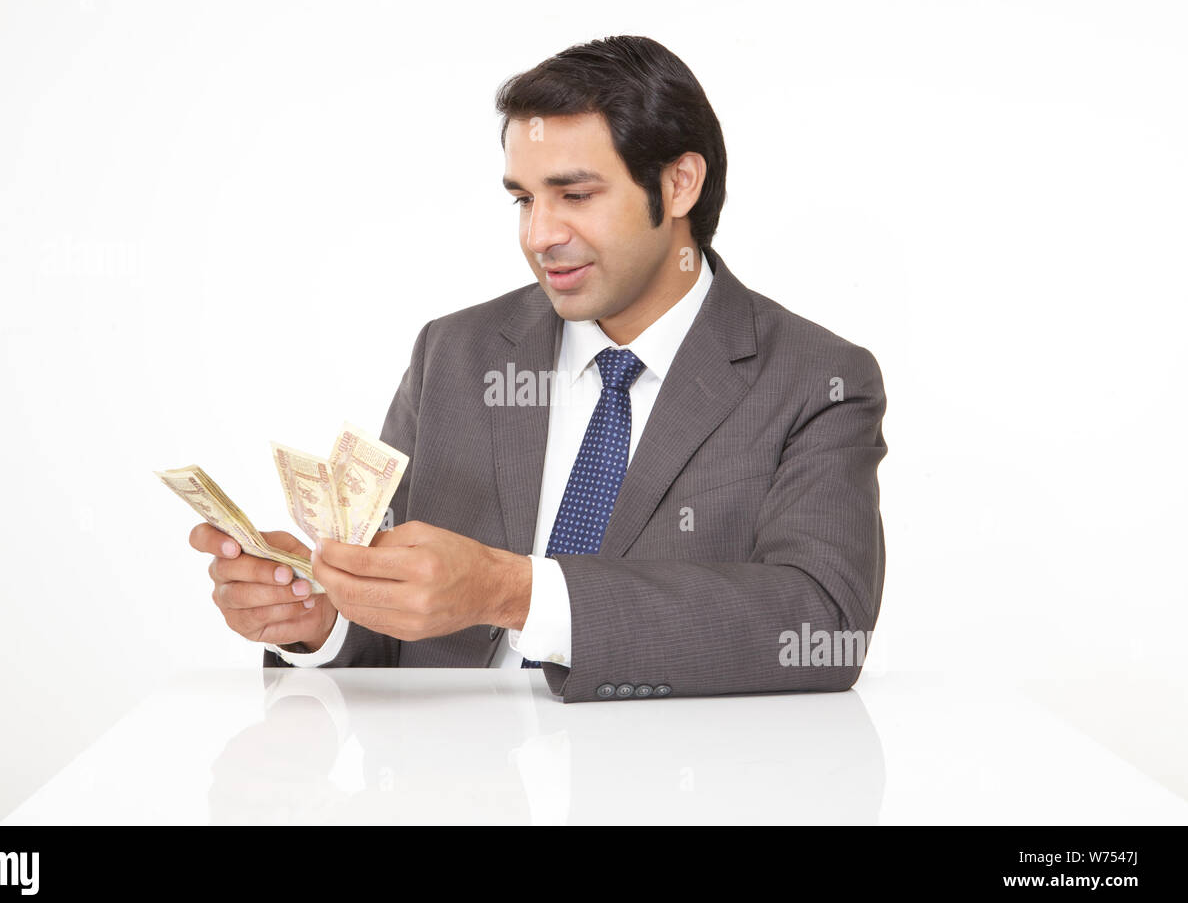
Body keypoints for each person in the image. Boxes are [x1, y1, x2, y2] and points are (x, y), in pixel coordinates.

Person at [188, 35, 888, 703]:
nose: (539, 236)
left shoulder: (813, 379)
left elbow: (822, 621)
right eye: (524, 199)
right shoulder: (455, 355)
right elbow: (390, 625)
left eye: (575, 196)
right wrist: (320, 617)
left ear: (679, 184)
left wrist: (513, 591)